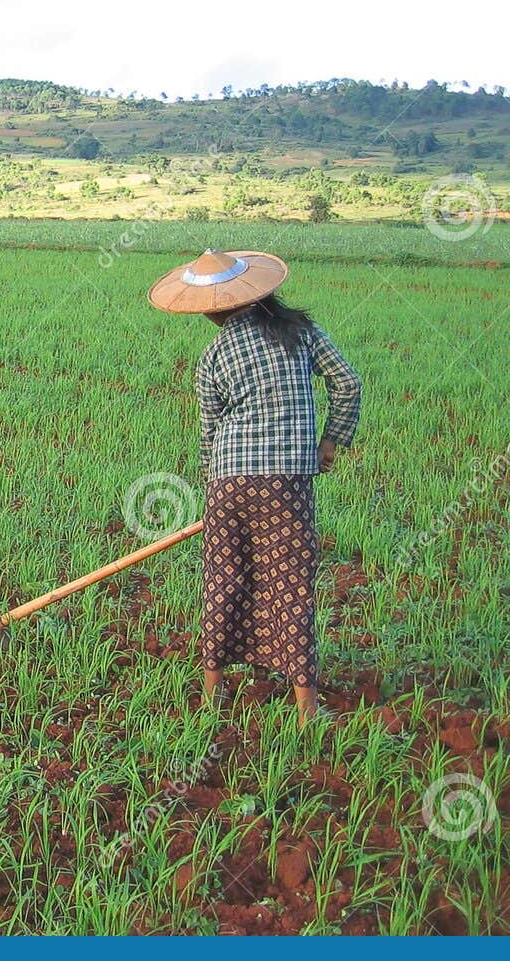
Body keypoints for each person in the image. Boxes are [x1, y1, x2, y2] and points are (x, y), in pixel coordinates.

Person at [149, 249, 362, 725]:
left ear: (211, 309)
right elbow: (347, 382)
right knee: (290, 583)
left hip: (229, 480)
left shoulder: (215, 353)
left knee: (224, 578)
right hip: (286, 481)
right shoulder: (300, 332)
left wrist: (216, 490)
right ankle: (306, 708)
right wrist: (331, 441)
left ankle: (213, 691)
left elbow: (209, 432)